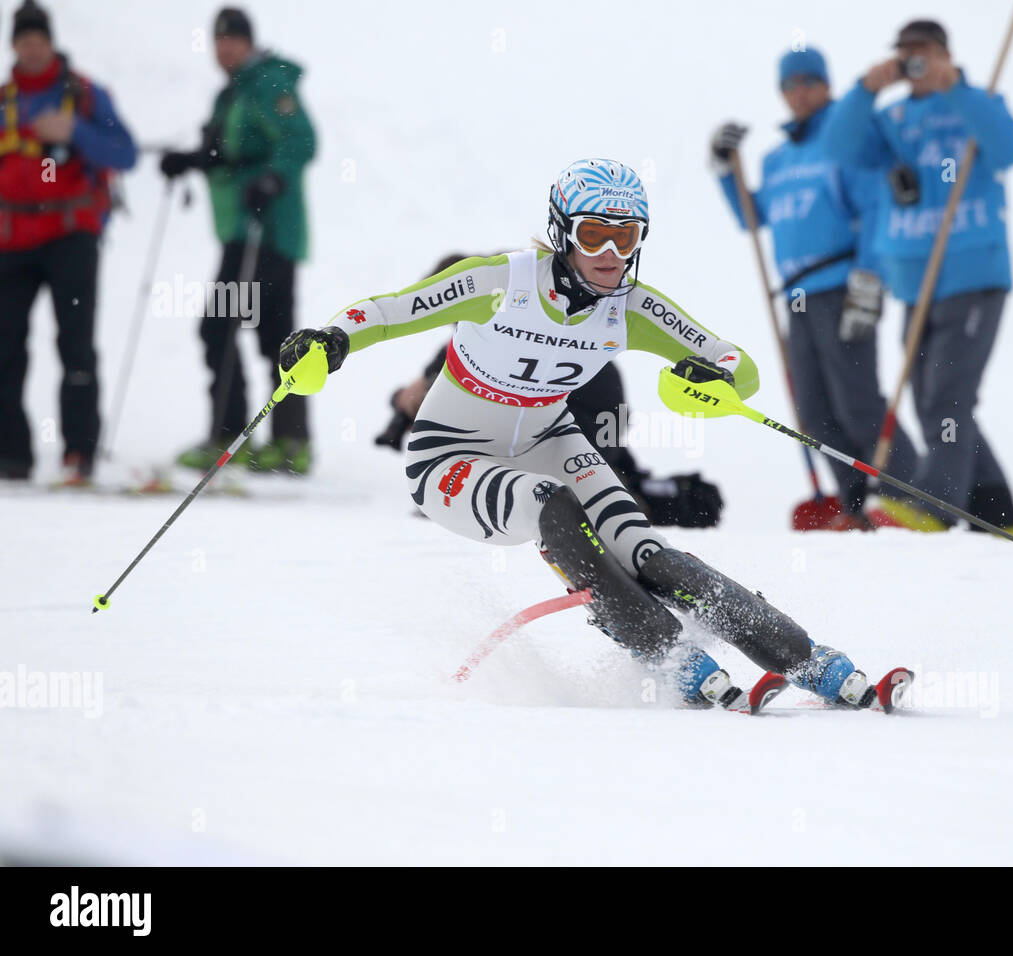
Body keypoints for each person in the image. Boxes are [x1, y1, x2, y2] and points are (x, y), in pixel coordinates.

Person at [277, 158, 912, 712]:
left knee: (647, 554)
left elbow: (736, 363)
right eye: (594, 235)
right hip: (450, 454)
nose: (611, 254)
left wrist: (710, 374)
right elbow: (389, 311)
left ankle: (811, 660)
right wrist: (331, 339)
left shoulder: (629, 305)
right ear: (563, 233)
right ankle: (670, 655)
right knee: (554, 509)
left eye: (626, 236)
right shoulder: (502, 281)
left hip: (553, 439)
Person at [824, 19, 1013, 533]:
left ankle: (934, 508)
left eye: (925, 52)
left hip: (973, 275)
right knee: (930, 399)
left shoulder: (976, 104)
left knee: (947, 398)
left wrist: (954, 85)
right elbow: (840, 148)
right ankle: (996, 512)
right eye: (906, 53)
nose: (915, 62)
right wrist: (865, 89)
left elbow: (1011, 149)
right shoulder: (890, 118)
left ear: (945, 54)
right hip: (916, 283)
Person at [710, 46, 919, 531]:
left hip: (842, 283)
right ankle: (855, 506)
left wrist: (870, 279)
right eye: (790, 85)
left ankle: (911, 497)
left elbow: (873, 209)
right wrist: (726, 168)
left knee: (856, 398)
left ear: (826, 84)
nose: (799, 92)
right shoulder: (777, 158)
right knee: (812, 408)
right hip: (796, 292)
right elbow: (751, 215)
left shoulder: (846, 142)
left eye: (809, 81)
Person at [376, 253, 726, 529]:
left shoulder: (484, 324)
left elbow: (418, 394)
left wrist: (400, 411)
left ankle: (624, 497)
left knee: (550, 476)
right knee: (608, 465)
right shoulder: (515, 284)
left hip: (583, 414)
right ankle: (640, 491)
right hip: (603, 405)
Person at [161, 7, 316, 474]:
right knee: (238, 330)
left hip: (268, 232)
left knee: (253, 331)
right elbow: (231, 152)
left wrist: (272, 178)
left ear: (249, 43)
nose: (225, 47)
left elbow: (301, 140)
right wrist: (192, 159)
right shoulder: (234, 93)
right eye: (219, 40)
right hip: (242, 229)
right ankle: (254, 438)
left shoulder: (269, 84)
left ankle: (273, 441)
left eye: (233, 39)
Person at [0, 0, 136, 484]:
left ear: (50, 42)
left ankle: (79, 453)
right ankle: (10, 455)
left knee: (75, 345)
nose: (32, 48)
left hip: (71, 234)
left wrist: (75, 130)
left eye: (38, 39)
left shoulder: (84, 95)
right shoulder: (4, 100)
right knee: (5, 347)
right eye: (24, 40)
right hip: (11, 240)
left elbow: (126, 153)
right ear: (14, 44)